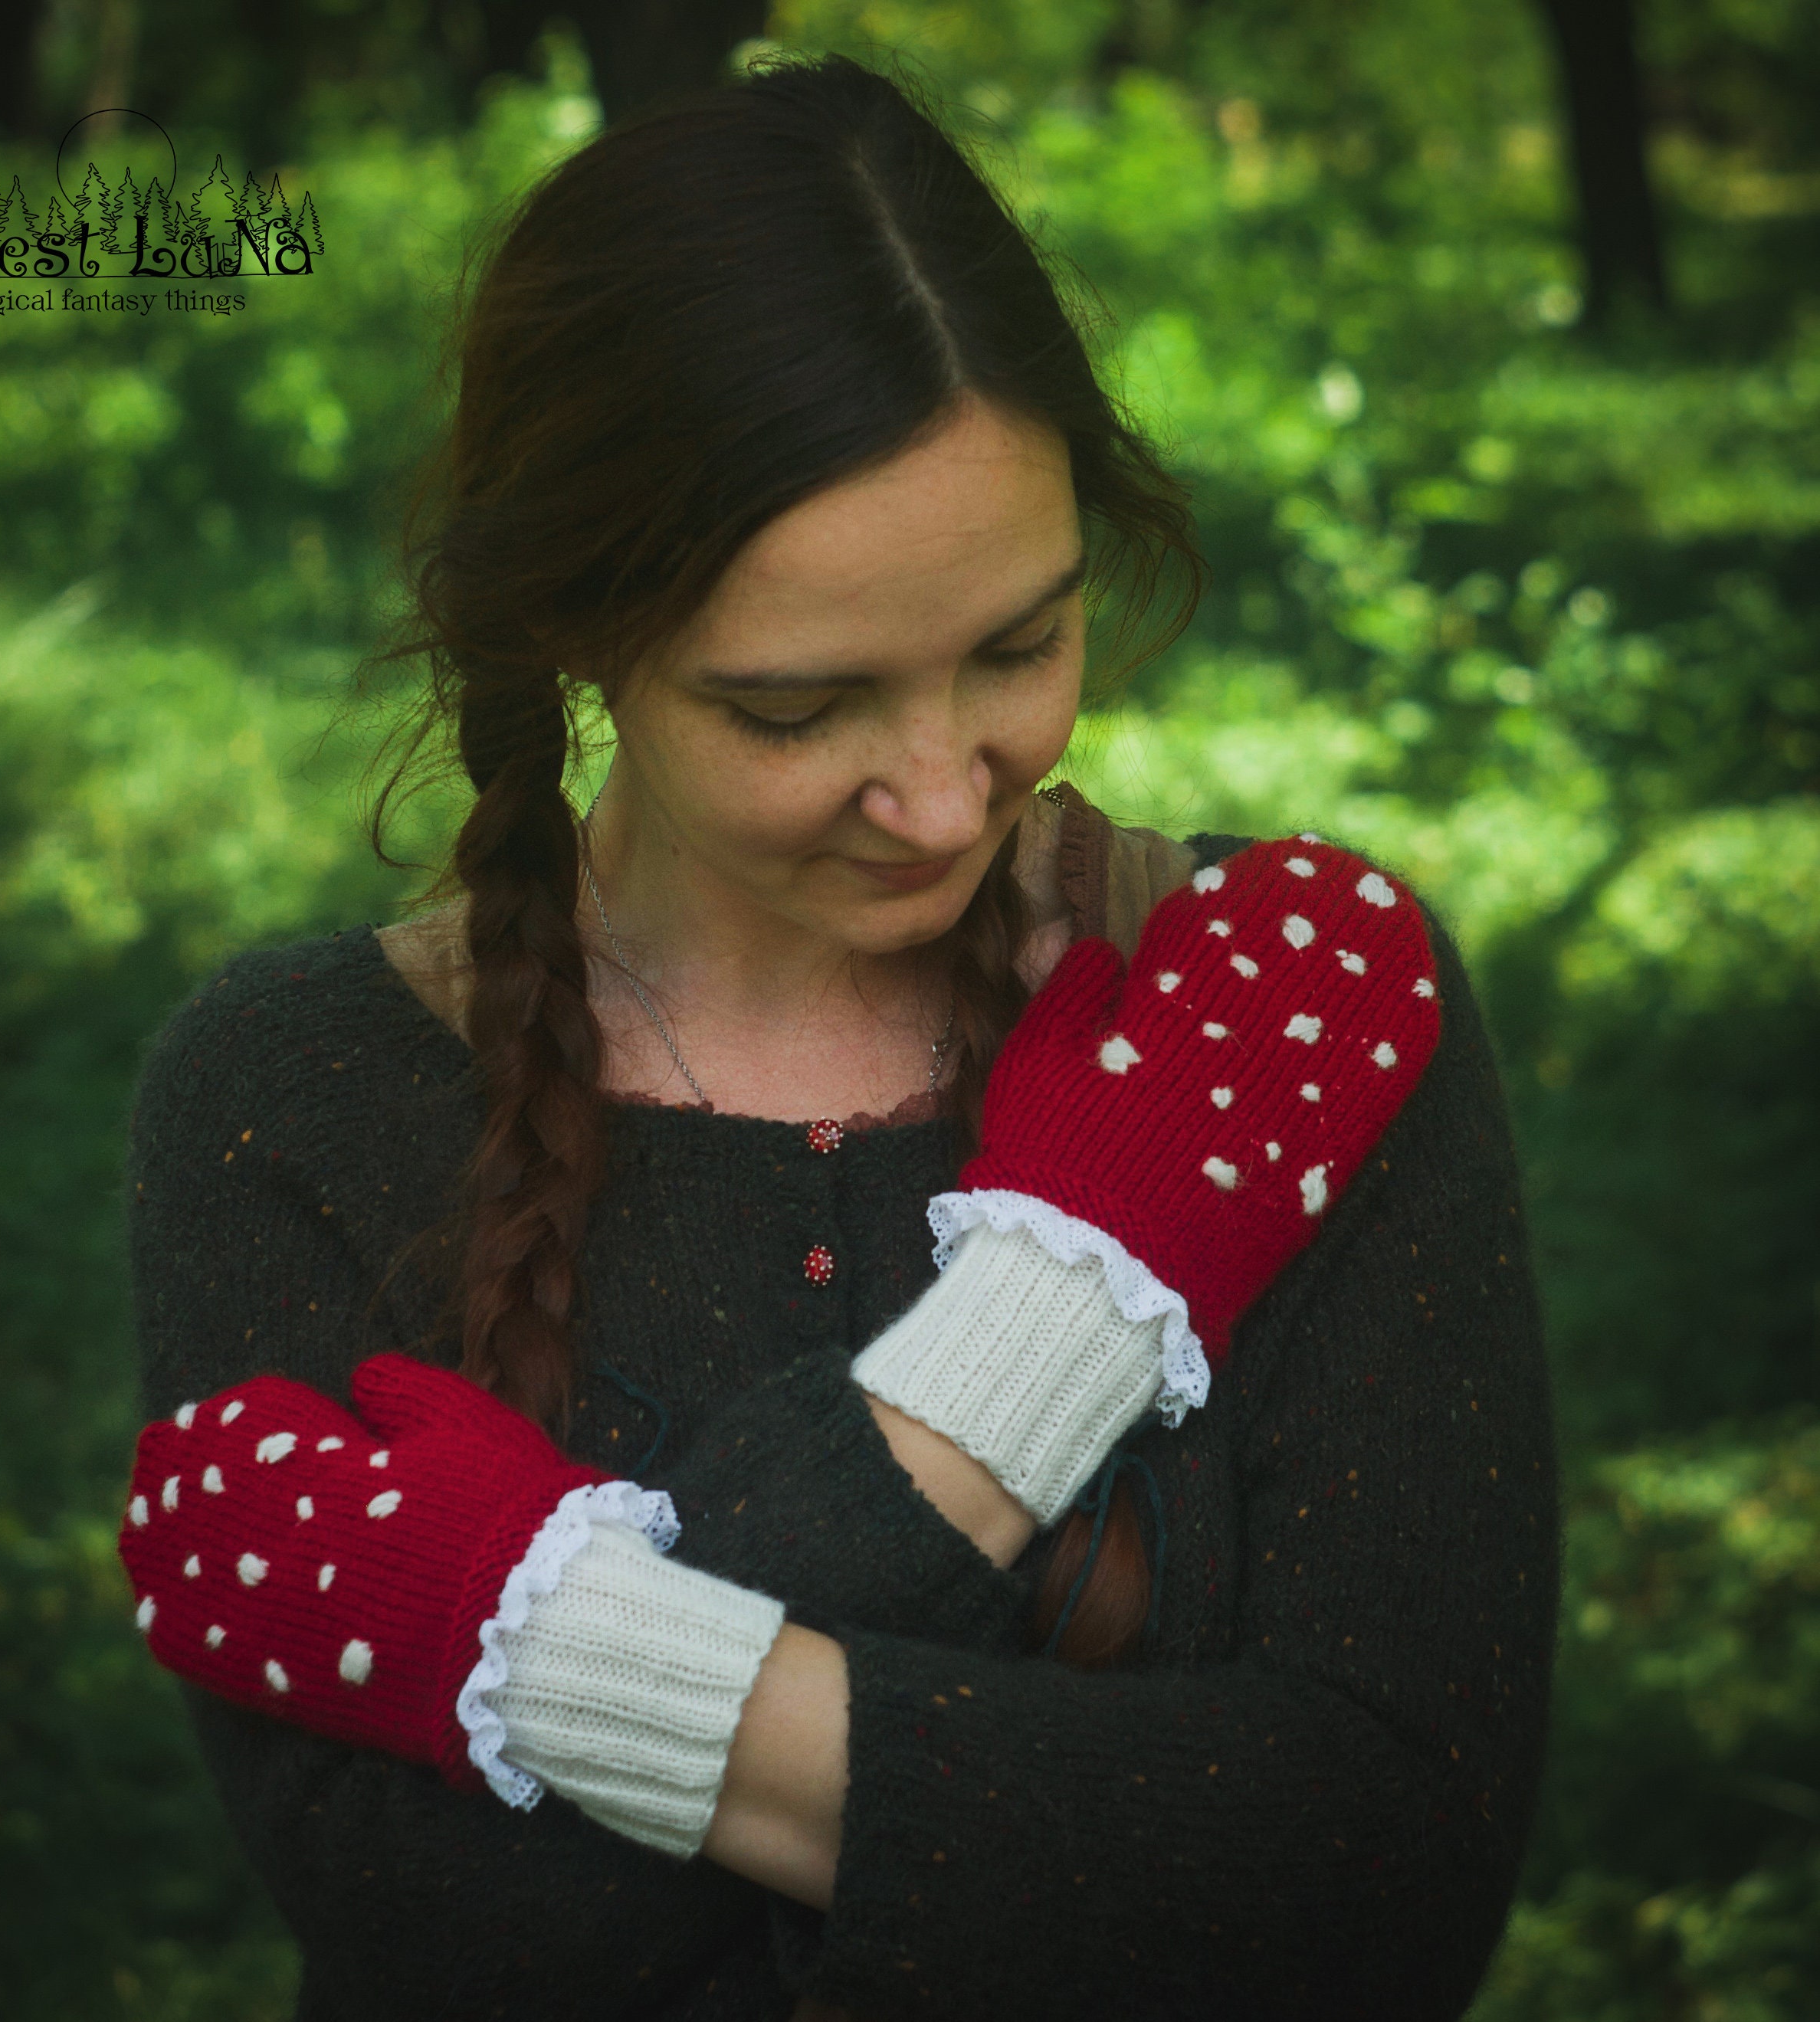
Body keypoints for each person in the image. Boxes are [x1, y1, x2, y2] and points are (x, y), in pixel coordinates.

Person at [120, 51, 1559, 2021]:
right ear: (563, 627)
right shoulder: (297, 1100)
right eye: (797, 710)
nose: (944, 799)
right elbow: (441, 1936)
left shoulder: (1256, 1035)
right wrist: (1027, 1368)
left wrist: (535, 1652)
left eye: (1017, 645)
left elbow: (1379, 1885)